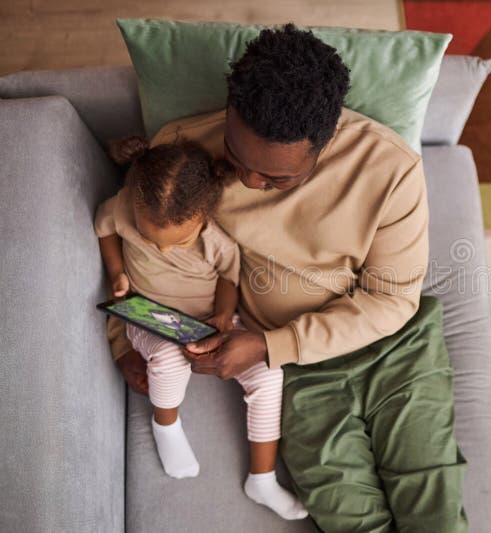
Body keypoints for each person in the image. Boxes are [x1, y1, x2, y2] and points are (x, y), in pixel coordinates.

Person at [107, 24, 468, 531]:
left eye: (277, 178)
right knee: (348, 516)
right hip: (299, 372)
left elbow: (391, 300)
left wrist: (270, 345)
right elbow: (143, 253)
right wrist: (123, 341)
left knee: (432, 508)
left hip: (394, 350)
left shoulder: (390, 170)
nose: (250, 181)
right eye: (236, 159)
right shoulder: (182, 154)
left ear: (324, 142)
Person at [95, 136, 307, 520]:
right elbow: (104, 226)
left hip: (207, 320)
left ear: (204, 217)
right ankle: (166, 427)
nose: (162, 250)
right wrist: (116, 272)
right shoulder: (124, 206)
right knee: (167, 358)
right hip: (150, 316)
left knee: (269, 373)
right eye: (149, 238)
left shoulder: (214, 239)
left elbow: (229, 277)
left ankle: (262, 479)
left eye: (177, 242)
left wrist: (224, 317)